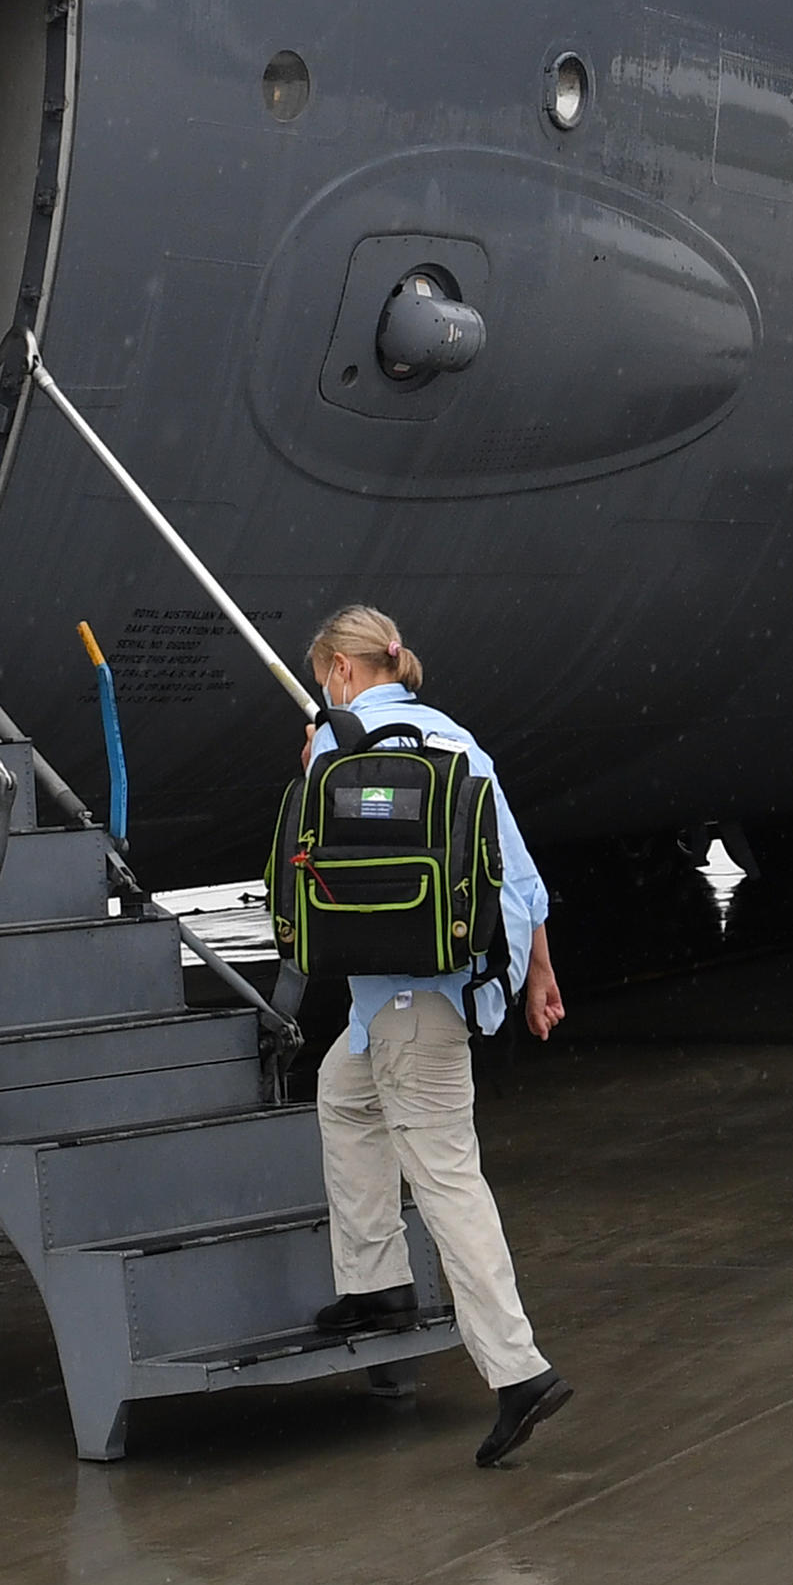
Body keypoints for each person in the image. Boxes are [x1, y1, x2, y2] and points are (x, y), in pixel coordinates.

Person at [295, 606, 575, 1468]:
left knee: (449, 1178)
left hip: (406, 1006)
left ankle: (519, 1371)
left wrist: (311, 758)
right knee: (341, 1100)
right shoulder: (457, 741)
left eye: (322, 678)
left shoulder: (333, 744)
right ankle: (375, 1286)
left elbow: (315, 861)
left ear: (343, 671)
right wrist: (540, 973)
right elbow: (517, 870)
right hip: (412, 1001)